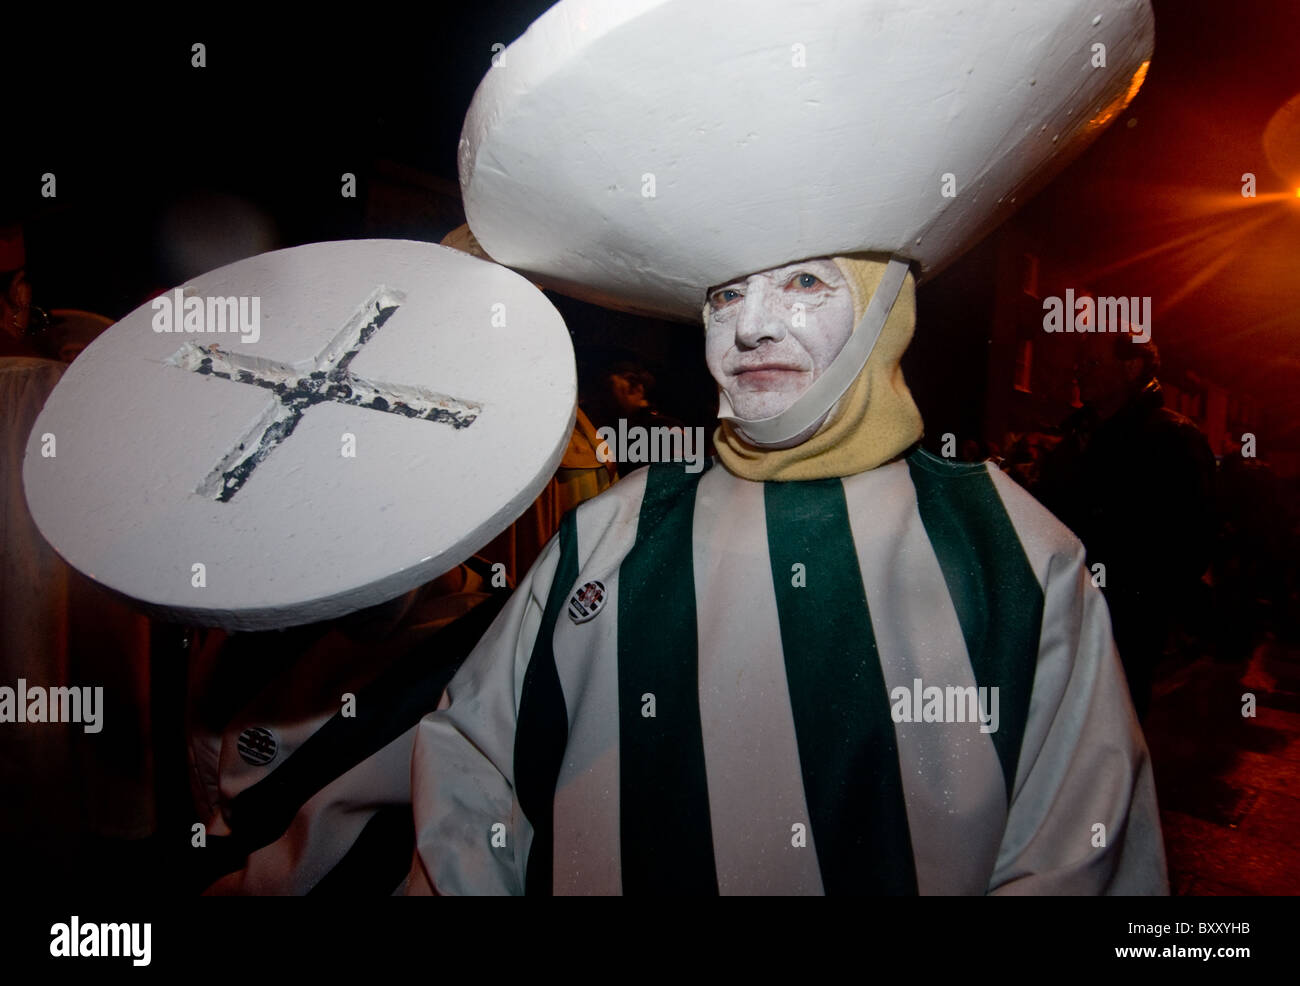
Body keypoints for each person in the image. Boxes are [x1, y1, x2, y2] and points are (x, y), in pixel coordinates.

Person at [407, 0, 1166, 894]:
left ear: (890, 307)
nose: (752, 328)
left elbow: (1078, 852)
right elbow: (470, 767)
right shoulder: (604, 537)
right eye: (725, 297)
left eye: (805, 282)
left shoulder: (1016, 558)